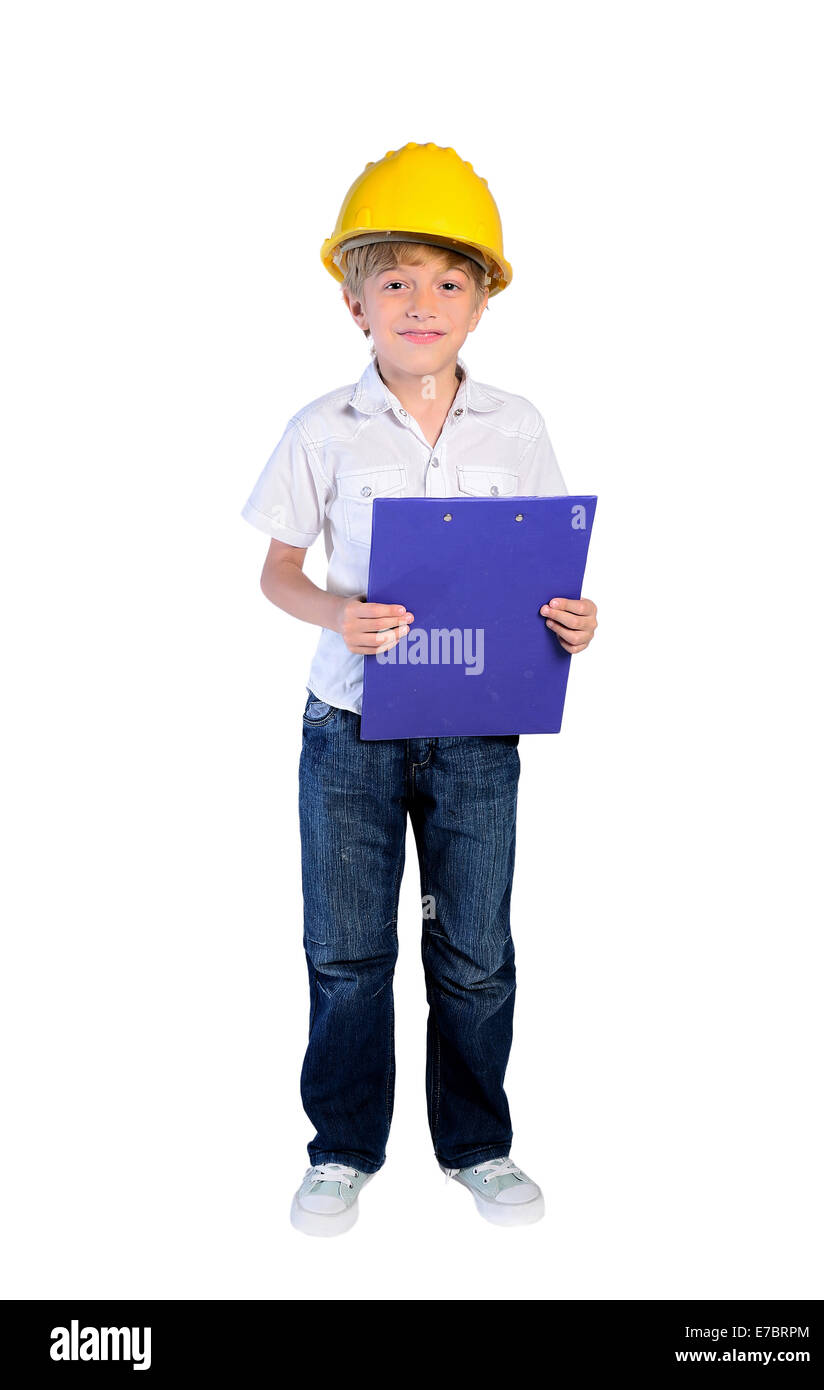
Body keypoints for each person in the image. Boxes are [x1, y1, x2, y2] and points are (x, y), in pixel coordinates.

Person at [241, 142, 598, 1236]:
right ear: (354, 303)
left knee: (474, 951)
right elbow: (276, 570)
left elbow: (542, 573)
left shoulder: (517, 426)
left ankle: (476, 1144)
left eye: (448, 279)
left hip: (477, 733)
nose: (419, 301)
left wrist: (572, 624)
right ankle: (343, 1148)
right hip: (349, 727)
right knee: (347, 952)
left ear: (481, 304)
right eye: (392, 279)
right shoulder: (321, 430)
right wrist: (335, 615)